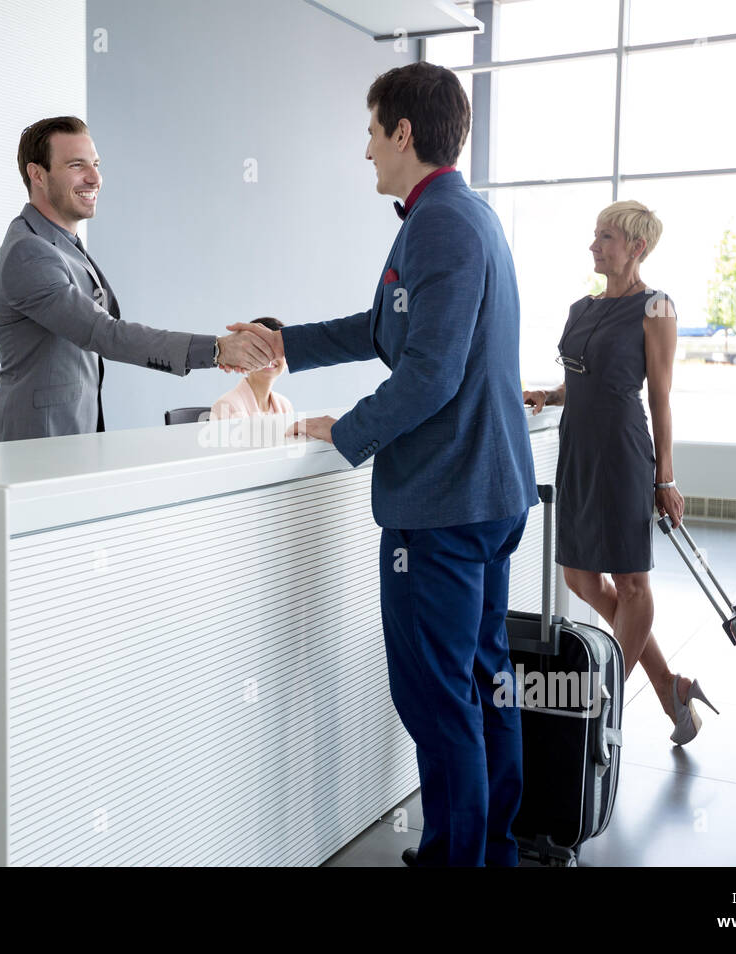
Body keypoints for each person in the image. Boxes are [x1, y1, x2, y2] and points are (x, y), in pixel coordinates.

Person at [230, 63, 536, 867]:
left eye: (371, 132)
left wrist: (344, 432)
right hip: (488, 493)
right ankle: (483, 848)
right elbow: (381, 328)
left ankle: (461, 856)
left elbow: (430, 373)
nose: (365, 150)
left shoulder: (439, 225)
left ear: (404, 133)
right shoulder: (460, 216)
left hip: (444, 502)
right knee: (484, 680)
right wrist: (285, 342)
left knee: (439, 701)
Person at [522, 201, 717, 746]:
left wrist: (666, 478)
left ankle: (604, 704)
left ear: (637, 248)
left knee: (632, 582)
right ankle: (669, 686)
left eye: (605, 237)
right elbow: (581, 382)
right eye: (595, 235)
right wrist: (548, 394)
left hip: (625, 454)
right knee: (579, 578)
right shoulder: (580, 308)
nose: (594, 245)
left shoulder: (656, 308)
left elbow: (659, 396)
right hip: (578, 450)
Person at [0, 116, 273, 443]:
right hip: (28, 446)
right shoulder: (28, 253)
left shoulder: (63, 246)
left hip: (67, 443)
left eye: (96, 164)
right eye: (77, 165)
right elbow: (102, 332)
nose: (95, 178)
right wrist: (216, 350)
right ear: (37, 174)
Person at [209, 318, 294, 420]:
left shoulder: (285, 406)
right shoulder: (226, 406)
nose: (269, 358)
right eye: (261, 349)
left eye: (278, 350)